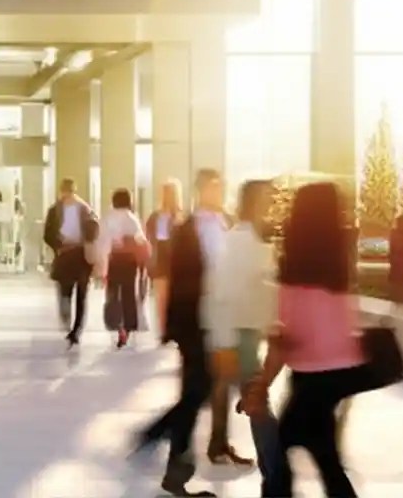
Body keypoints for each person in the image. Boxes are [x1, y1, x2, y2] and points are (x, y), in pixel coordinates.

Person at [242, 182, 372, 498]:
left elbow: (286, 337)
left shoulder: (295, 265)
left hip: (311, 379)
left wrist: (261, 385)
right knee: (324, 457)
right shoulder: (338, 263)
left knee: (282, 456)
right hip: (340, 375)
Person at [133, 168, 224, 497]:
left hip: (209, 322)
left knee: (196, 392)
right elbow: (180, 277)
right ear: (202, 190)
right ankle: (158, 437)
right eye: (215, 188)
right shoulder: (190, 228)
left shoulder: (217, 224)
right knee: (197, 391)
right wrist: (173, 326)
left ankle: (172, 463)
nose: (220, 193)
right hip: (195, 325)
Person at [205, 180, 280, 493]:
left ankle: (275, 476)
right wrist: (224, 345)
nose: (272, 207)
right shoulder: (237, 242)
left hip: (245, 336)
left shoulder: (250, 240)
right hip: (237, 337)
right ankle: (277, 477)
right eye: (268, 200)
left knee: (257, 405)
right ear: (253, 204)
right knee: (258, 405)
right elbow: (220, 295)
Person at [43, 178, 98, 348]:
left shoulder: (85, 209)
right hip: (64, 252)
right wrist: (57, 245)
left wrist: (88, 238)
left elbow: (94, 228)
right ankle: (66, 316)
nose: (67, 196)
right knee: (64, 290)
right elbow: (48, 233)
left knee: (81, 294)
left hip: (81, 253)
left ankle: (76, 330)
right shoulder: (55, 210)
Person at [101, 188, 148, 350]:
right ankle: (129, 324)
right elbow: (140, 240)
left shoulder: (109, 218)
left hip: (114, 259)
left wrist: (102, 265)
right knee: (128, 292)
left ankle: (114, 322)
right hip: (129, 260)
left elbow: (104, 241)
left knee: (113, 292)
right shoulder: (131, 218)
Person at [146, 179, 184, 338]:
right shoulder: (156, 216)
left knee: (175, 299)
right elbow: (149, 235)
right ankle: (163, 330)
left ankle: (174, 329)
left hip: (176, 258)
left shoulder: (181, 216)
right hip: (160, 257)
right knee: (161, 297)